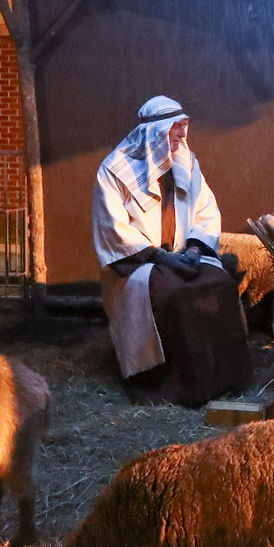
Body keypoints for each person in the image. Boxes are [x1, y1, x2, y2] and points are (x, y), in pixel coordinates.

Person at [93, 96, 251, 406]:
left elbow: (206, 210)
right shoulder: (114, 171)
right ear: (154, 133)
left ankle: (224, 380)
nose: (181, 134)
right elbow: (113, 229)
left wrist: (192, 250)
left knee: (217, 284)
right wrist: (162, 257)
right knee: (173, 296)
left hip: (183, 253)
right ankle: (173, 389)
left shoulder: (186, 163)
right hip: (140, 263)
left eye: (183, 126)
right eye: (174, 128)